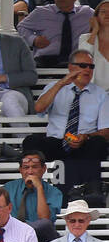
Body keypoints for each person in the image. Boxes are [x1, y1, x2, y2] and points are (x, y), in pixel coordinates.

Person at [24, 50, 109, 197]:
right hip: (56, 143)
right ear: (71, 67)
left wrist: (86, 136)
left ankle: (91, 188)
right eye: (83, 65)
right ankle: (32, 187)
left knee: (99, 142)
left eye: (91, 66)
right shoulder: (54, 87)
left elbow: (105, 131)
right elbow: (39, 108)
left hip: (84, 144)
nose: (87, 70)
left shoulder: (100, 94)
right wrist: (62, 83)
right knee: (31, 141)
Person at [19, 0, 93, 63]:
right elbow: (21, 27)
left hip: (76, 63)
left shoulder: (87, 13)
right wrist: (33, 39)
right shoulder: (41, 12)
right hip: (46, 61)